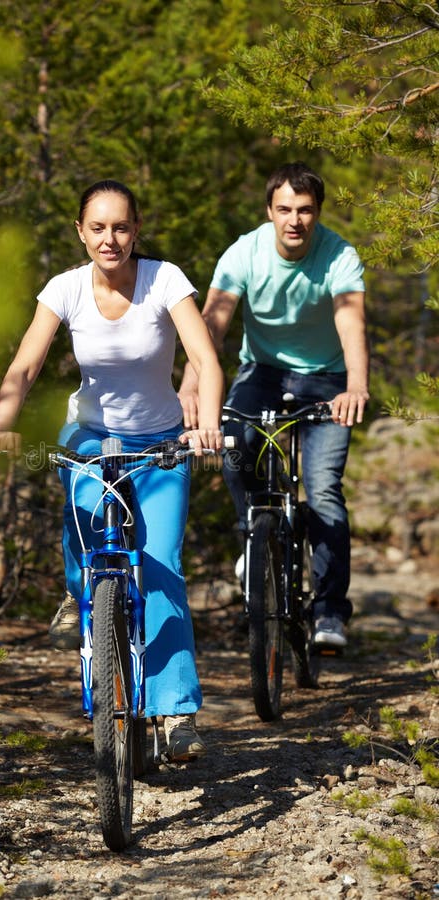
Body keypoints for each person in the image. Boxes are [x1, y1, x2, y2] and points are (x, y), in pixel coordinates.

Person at [0, 179, 224, 760]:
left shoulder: (164, 280)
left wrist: (209, 424)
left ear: (136, 230)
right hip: (90, 438)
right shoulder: (64, 288)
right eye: (98, 228)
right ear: (81, 231)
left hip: (160, 444)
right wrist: (3, 424)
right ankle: (81, 596)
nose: (109, 239)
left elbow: (205, 358)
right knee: (86, 543)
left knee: (161, 563)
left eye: (121, 227)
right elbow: (26, 364)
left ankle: (175, 712)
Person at [178, 162, 369, 649]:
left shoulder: (339, 255)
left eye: (304, 210)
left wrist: (356, 386)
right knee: (233, 443)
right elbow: (213, 323)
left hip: (328, 379)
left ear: (317, 212)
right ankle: (254, 535)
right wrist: (191, 387)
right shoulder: (245, 252)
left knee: (323, 492)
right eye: (284, 209)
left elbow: (351, 321)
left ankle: (329, 612)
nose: (294, 220)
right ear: (269, 210)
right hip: (261, 372)